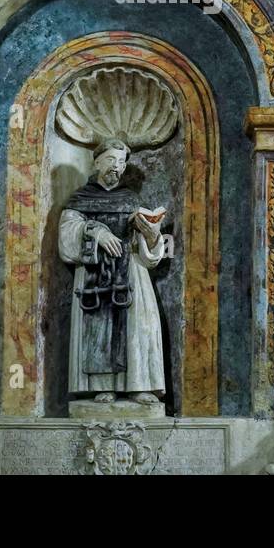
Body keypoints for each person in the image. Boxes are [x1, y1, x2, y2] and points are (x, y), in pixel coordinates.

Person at [58, 139, 168, 404]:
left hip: (131, 271)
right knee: (99, 328)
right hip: (96, 273)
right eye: (110, 160)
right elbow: (66, 234)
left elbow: (150, 255)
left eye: (121, 162)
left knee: (140, 326)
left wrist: (152, 236)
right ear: (96, 162)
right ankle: (102, 384)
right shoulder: (81, 198)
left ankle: (139, 384)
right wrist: (96, 232)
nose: (116, 167)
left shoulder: (131, 199)